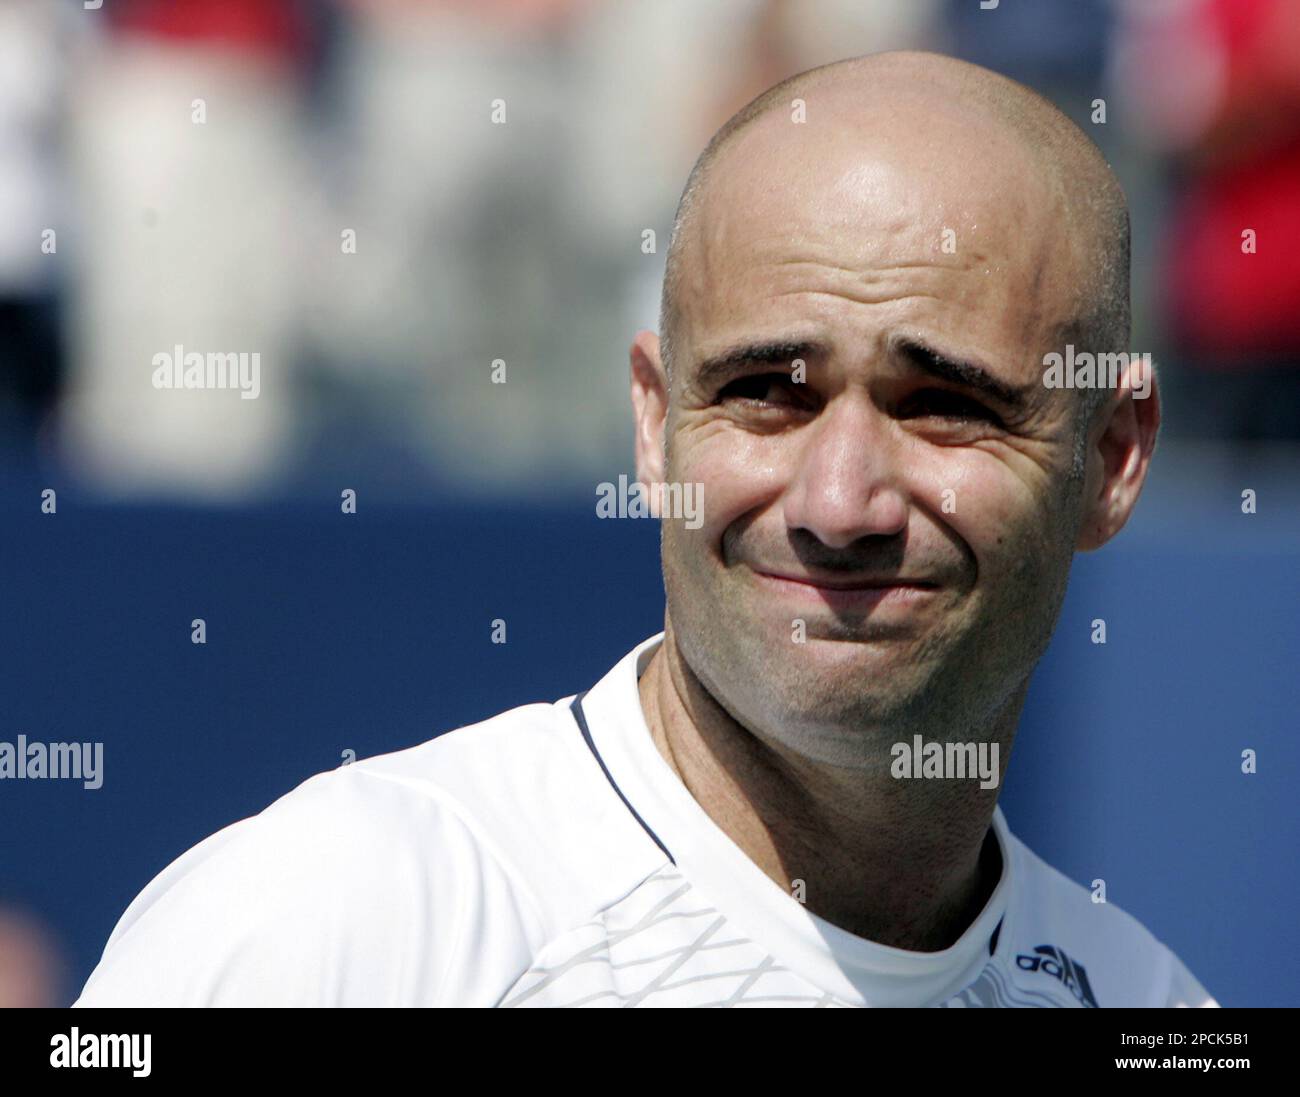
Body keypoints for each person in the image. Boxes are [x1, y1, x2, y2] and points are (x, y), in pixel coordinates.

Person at [75, 51, 1214, 1008]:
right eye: (768, 389)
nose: (837, 505)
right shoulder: (334, 929)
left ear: (1112, 453)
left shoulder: (1154, 1005)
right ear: (655, 423)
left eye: (944, 404)